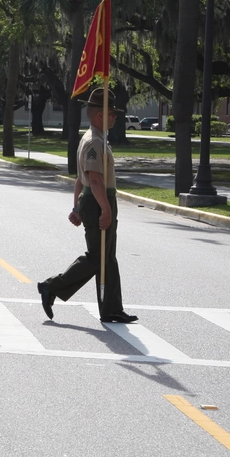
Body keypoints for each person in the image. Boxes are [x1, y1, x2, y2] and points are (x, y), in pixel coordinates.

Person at [37, 87, 138, 324]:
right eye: (112, 113)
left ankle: (112, 308)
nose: (115, 117)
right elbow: (93, 179)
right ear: (100, 115)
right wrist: (105, 209)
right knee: (97, 256)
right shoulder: (94, 142)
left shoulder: (95, 138)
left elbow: (80, 180)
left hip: (94, 200)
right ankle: (51, 287)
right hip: (97, 200)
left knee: (107, 257)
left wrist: (76, 208)